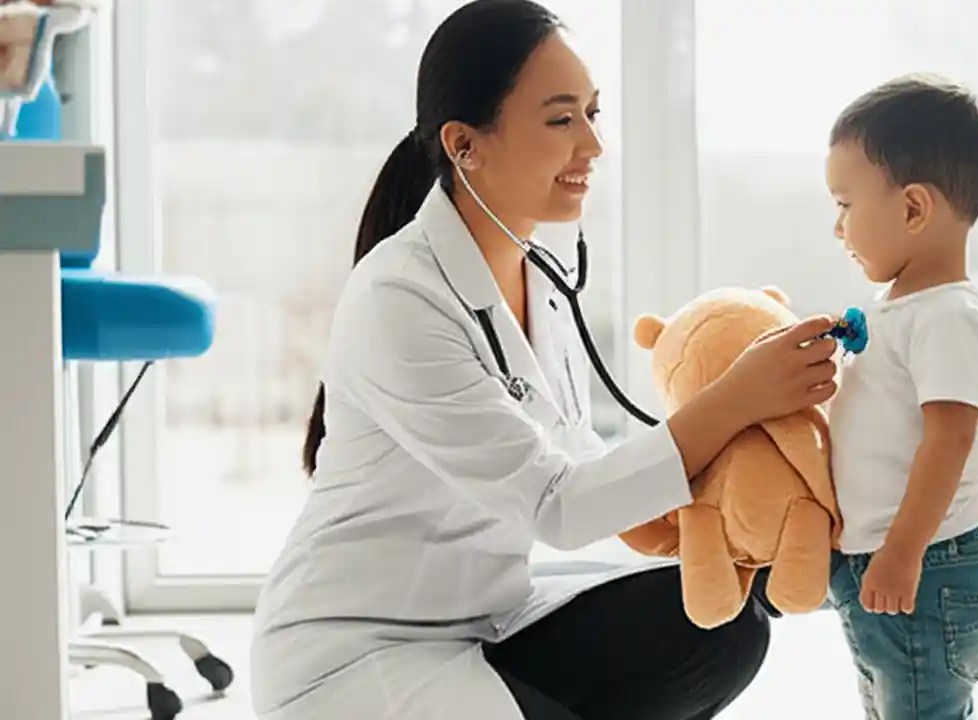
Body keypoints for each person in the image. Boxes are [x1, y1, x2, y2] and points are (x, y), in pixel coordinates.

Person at [248, 2, 839, 719]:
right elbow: (556, 506)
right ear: (466, 143)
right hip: (356, 657)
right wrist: (736, 399)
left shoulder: (540, 283)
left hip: (484, 623)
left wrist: (728, 520)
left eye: (594, 112)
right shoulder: (397, 296)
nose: (592, 143)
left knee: (720, 629)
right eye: (562, 120)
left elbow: (584, 461)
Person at [822, 75, 978, 720]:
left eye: (845, 204)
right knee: (888, 694)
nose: (837, 226)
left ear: (912, 209)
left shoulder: (950, 317)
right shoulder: (904, 309)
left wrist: (903, 551)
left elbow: (949, 440)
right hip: (897, 558)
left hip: (930, 560)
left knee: (920, 703)